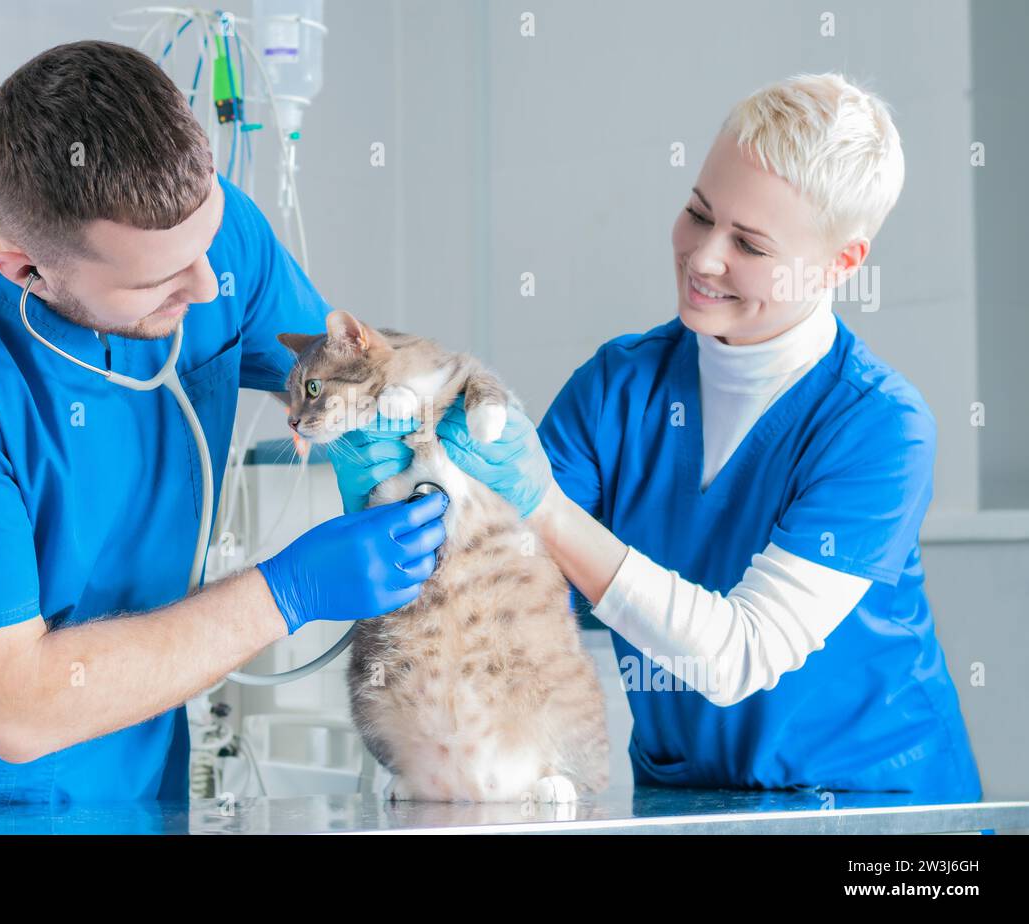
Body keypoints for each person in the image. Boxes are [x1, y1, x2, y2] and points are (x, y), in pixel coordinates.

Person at [0, 40, 447, 813]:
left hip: (137, 773)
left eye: (206, 245)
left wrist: (433, 432)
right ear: (23, 269)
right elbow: (18, 703)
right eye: (159, 281)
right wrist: (289, 592)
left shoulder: (199, 234)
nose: (208, 288)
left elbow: (344, 370)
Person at [340, 73, 982, 803]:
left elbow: (741, 652)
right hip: (692, 799)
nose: (704, 257)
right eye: (699, 213)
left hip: (879, 815)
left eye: (750, 243)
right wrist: (403, 495)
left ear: (841, 264)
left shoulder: (877, 428)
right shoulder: (620, 388)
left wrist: (545, 509)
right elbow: (512, 589)